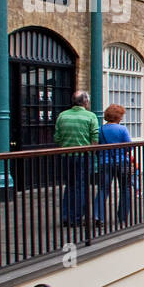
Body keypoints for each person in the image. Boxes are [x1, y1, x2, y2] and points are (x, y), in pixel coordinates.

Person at [54, 90, 98, 226]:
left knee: (70, 185)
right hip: (84, 156)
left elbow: (57, 137)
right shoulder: (90, 116)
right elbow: (95, 138)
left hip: (67, 155)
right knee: (81, 186)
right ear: (85, 102)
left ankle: (66, 216)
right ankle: (77, 217)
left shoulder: (62, 116)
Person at [93, 103, 133, 226]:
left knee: (103, 189)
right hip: (121, 162)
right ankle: (122, 216)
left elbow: (96, 146)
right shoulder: (122, 129)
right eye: (121, 115)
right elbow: (129, 146)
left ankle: (98, 216)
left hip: (104, 162)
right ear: (118, 117)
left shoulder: (100, 130)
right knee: (125, 188)